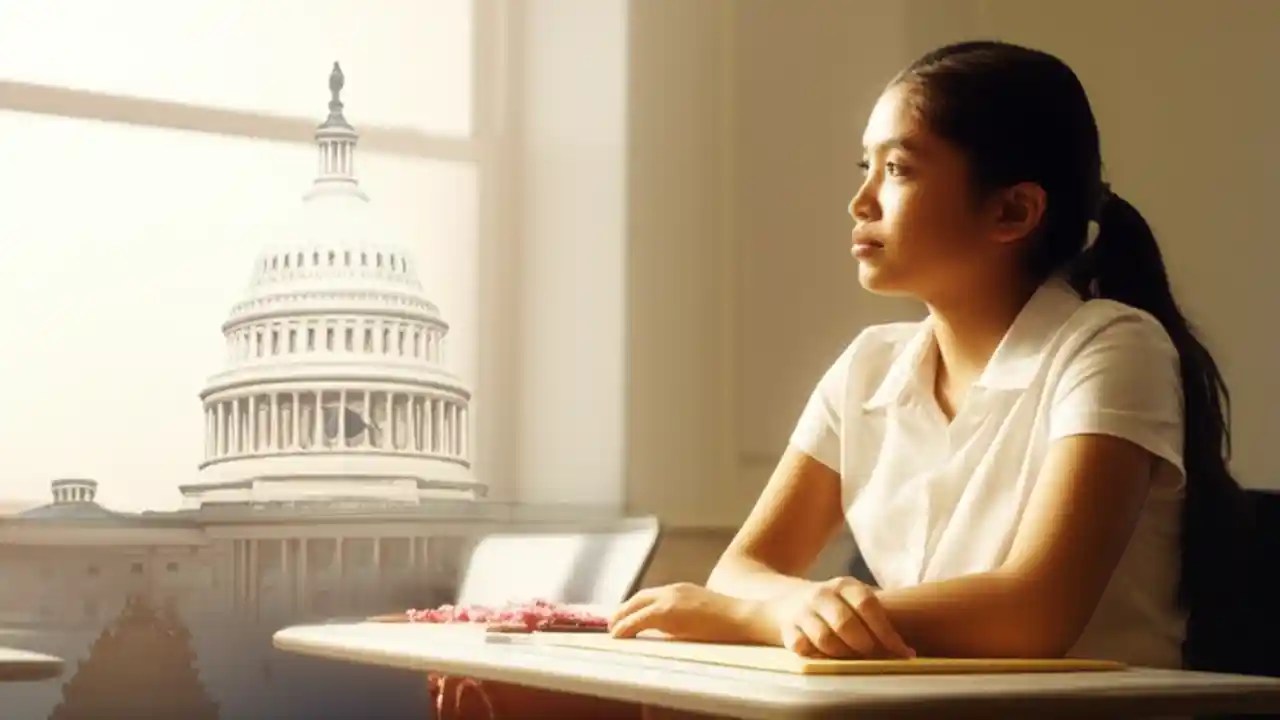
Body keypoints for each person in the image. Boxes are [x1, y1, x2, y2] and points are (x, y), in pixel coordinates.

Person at [608, 40, 1248, 669]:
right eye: (866, 167)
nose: (860, 203)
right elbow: (743, 568)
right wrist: (787, 608)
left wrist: (767, 616)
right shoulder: (868, 366)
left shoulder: (1113, 347)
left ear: (1012, 210)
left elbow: (1035, 613)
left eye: (898, 169)